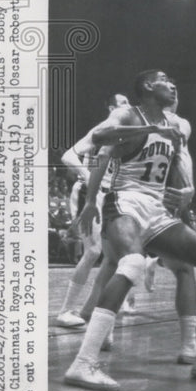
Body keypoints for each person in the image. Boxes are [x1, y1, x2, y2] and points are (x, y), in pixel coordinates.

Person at [64, 69, 196, 391]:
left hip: (157, 208)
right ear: (149, 86)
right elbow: (99, 141)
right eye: (166, 80)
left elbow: (177, 167)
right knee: (131, 263)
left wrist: (188, 191)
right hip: (124, 202)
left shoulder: (176, 126)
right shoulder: (128, 113)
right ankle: (82, 363)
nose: (174, 85)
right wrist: (91, 200)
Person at [56, 93, 137, 328]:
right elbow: (68, 155)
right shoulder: (104, 129)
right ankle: (65, 311)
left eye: (128, 102)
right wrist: (88, 175)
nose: (128, 106)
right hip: (88, 192)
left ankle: (93, 309)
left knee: (118, 254)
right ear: (112, 108)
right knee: (92, 251)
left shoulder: (126, 134)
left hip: (110, 195)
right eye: (123, 102)